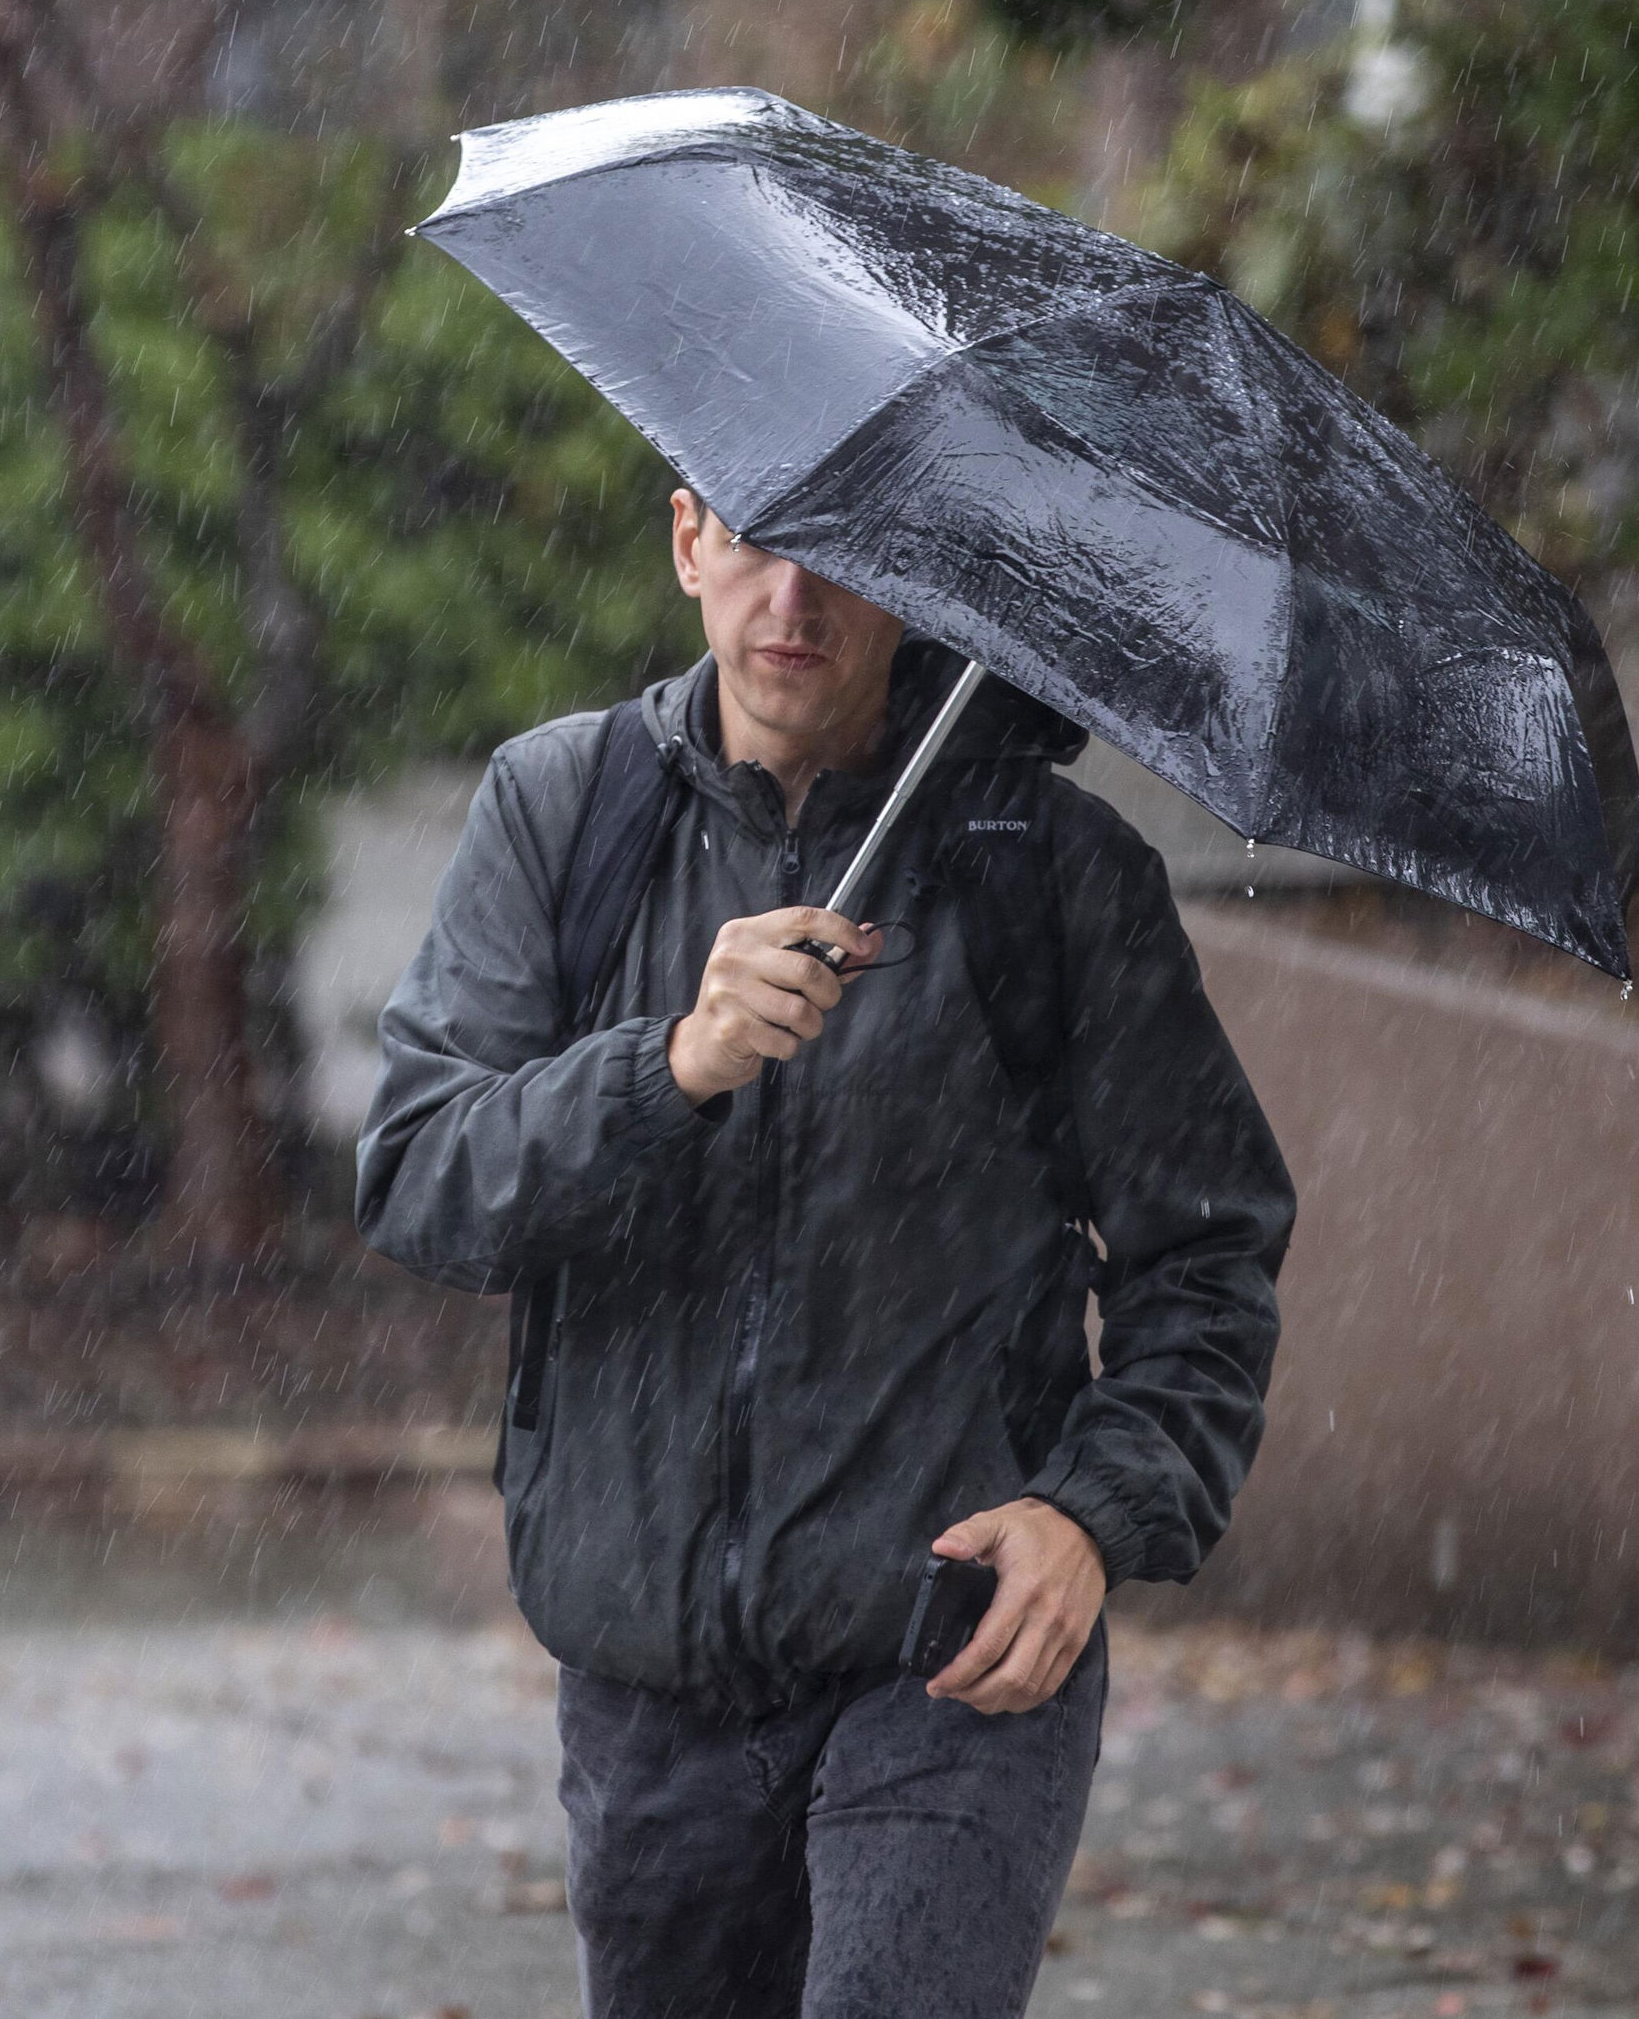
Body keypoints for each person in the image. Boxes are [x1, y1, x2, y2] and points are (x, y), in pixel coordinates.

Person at [357, 490, 1296, 2019]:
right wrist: (668, 1063)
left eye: (849, 555)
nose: (792, 595)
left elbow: (1209, 1253)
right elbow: (419, 1178)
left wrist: (1090, 1513)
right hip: (648, 1678)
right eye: (753, 536)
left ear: (916, 584)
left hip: (949, 1655)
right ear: (683, 543)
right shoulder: (563, 809)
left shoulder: (1043, 869)